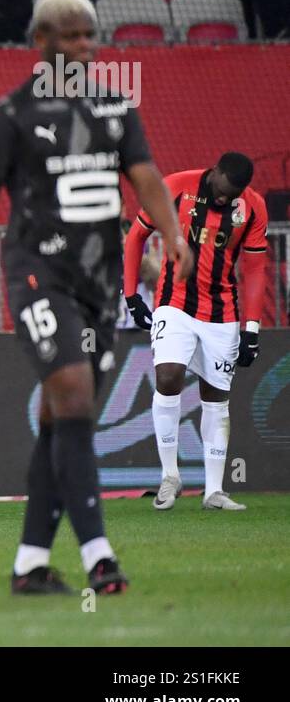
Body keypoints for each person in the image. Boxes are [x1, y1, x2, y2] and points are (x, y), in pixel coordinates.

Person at [0, 0, 194, 595]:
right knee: (73, 397)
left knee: (59, 418)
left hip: (97, 286)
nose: (83, 45)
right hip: (37, 275)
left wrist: (170, 237)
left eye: (89, 35)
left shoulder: (116, 109)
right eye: (70, 35)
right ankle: (100, 556)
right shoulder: (7, 117)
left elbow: (145, 178)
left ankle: (29, 565)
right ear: (39, 42)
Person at [123, 153, 268, 512]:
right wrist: (131, 295)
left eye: (233, 194)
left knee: (216, 397)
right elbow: (136, 236)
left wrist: (251, 328)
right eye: (222, 190)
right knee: (168, 377)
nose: (224, 199)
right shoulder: (176, 186)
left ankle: (214, 491)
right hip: (174, 302)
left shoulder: (252, 207)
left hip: (222, 313)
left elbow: (254, 269)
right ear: (214, 172)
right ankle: (170, 476)